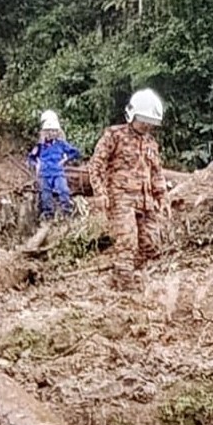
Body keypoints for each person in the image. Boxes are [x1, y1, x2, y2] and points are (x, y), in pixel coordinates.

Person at [90, 90, 167, 283]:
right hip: (121, 199)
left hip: (146, 201)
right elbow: (95, 165)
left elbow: (156, 171)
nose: (147, 125)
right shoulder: (114, 135)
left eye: (150, 122)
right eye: (143, 120)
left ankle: (133, 275)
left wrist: (162, 197)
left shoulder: (150, 143)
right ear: (132, 116)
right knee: (127, 243)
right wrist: (100, 193)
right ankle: (123, 285)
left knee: (151, 243)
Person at [28, 110, 82, 220]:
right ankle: (48, 215)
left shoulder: (60, 144)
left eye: (54, 131)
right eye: (50, 131)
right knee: (46, 194)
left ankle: (67, 213)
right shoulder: (40, 146)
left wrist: (65, 159)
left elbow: (75, 152)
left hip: (57, 172)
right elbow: (31, 158)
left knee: (63, 190)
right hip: (45, 174)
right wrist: (37, 164)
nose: (52, 133)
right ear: (45, 132)